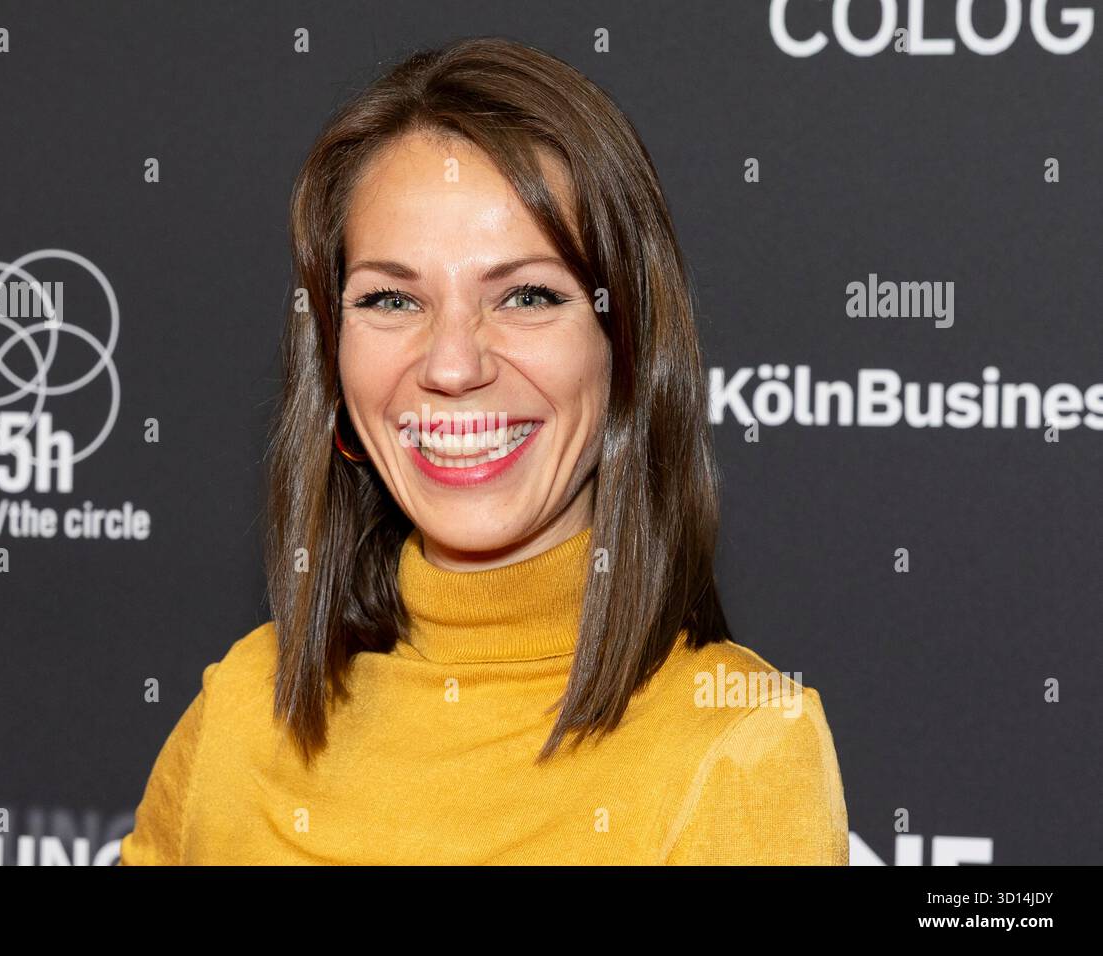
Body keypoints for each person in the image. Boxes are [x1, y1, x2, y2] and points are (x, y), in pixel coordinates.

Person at [120, 35, 849, 865]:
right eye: (392, 299)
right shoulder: (241, 710)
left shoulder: (742, 748)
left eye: (528, 295)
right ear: (332, 358)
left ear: (629, 352)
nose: (453, 365)